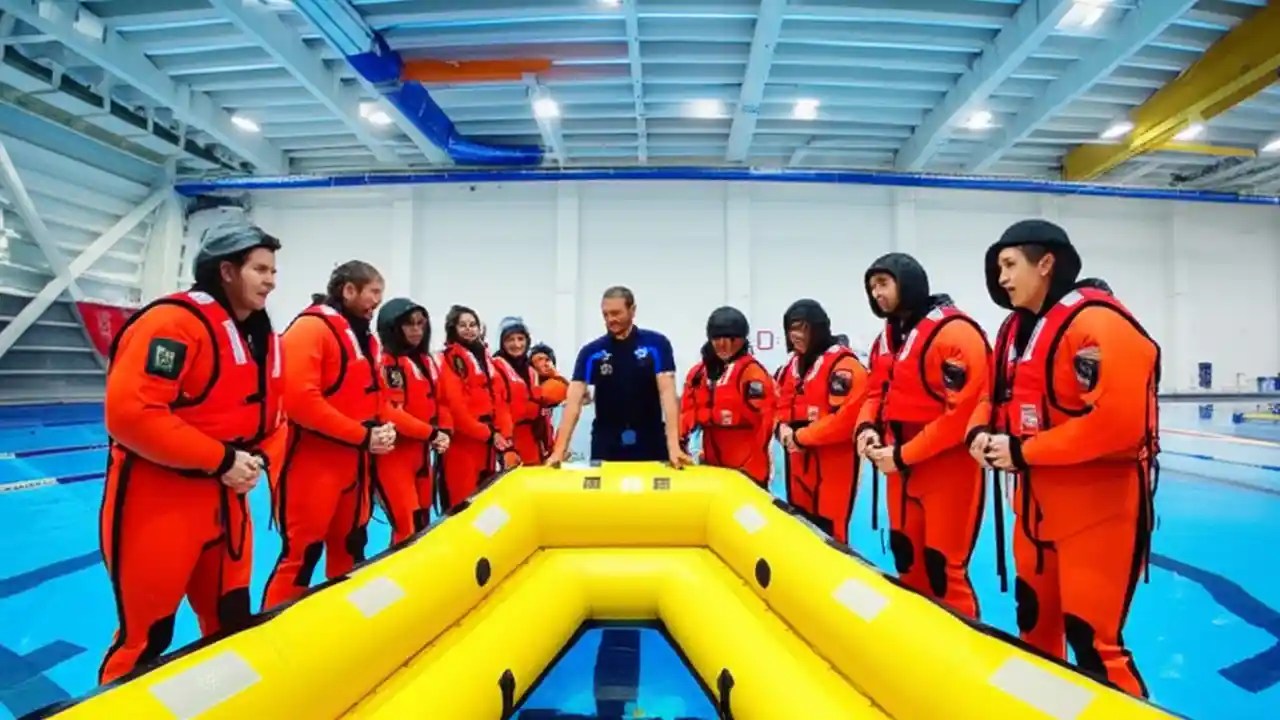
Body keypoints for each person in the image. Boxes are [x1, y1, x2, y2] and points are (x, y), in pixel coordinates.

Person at [969, 219, 1158, 698]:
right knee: (1033, 624)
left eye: (1010, 265)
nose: (1002, 278)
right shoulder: (1013, 329)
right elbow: (990, 395)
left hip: (1097, 514)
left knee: (1093, 645)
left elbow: (1120, 423)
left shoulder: (1099, 323)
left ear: (1046, 263)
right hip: (1033, 511)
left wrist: (1022, 450)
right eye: (999, 268)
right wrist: (979, 431)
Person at [98, 222, 284, 683]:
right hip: (157, 504)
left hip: (227, 505)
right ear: (226, 271)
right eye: (260, 269)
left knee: (232, 620)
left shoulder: (255, 333)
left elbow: (267, 411)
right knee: (146, 638)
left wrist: (253, 461)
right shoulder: (173, 325)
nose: (271, 280)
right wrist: (223, 460)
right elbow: (131, 414)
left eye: (273, 270)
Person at [855, 253, 990, 619]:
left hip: (946, 467)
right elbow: (874, 392)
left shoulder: (956, 334)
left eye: (883, 284)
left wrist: (902, 455)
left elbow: (960, 414)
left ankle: (964, 655)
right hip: (900, 465)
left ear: (907, 282)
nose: (876, 293)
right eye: (871, 287)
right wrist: (867, 427)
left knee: (943, 568)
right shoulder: (887, 339)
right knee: (906, 556)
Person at [262, 261, 396, 610]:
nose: (377, 301)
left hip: (354, 465)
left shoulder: (364, 337)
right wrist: (362, 436)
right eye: (373, 292)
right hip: (312, 464)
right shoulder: (311, 329)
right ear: (348, 290)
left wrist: (382, 428)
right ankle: (275, 636)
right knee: (302, 555)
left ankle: (342, 621)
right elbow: (300, 401)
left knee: (352, 545)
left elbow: (376, 393)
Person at [545, 286, 690, 468]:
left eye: (616, 313)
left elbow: (668, 397)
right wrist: (559, 451)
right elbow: (572, 405)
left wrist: (674, 446)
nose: (610, 319)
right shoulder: (592, 353)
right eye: (605, 315)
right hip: (606, 444)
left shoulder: (656, 345)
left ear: (632, 310)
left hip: (650, 441)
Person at [775, 299, 868, 544]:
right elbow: (779, 404)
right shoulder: (790, 367)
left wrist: (801, 437)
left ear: (817, 329)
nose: (795, 335)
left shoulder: (845, 368)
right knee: (800, 526)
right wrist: (782, 428)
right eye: (791, 329)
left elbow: (846, 420)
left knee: (831, 533)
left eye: (802, 328)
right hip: (796, 461)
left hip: (834, 464)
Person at [374, 299, 452, 544]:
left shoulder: (426, 362)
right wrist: (431, 433)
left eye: (421, 324)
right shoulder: (387, 363)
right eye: (409, 325)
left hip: (421, 456)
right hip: (394, 458)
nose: (417, 330)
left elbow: (443, 401)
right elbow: (390, 412)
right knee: (405, 524)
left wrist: (445, 432)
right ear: (393, 327)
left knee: (423, 522)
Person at [679, 307, 777, 487]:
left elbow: (765, 421)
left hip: (747, 470)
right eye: (717, 338)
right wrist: (678, 444)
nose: (724, 344)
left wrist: (751, 468)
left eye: (731, 338)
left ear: (742, 340)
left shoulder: (752, 374)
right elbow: (685, 413)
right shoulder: (698, 374)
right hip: (711, 467)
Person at [438, 305, 513, 510]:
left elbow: (500, 398)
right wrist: (489, 435)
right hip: (464, 445)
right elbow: (455, 408)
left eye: (473, 325)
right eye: (463, 325)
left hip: (488, 444)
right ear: (453, 328)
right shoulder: (449, 360)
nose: (469, 329)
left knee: (485, 503)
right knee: (462, 504)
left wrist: (504, 432)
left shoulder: (487, 359)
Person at [492, 318, 546, 465]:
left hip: (532, 441)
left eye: (520, 339)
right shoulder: (495, 367)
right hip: (509, 442)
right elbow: (498, 407)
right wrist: (506, 448)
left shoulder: (532, 371)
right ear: (502, 343)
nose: (516, 344)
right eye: (510, 339)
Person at [530, 343, 569, 457]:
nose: (545, 364)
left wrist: (556, 375)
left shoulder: (557, 384)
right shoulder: (531, 387)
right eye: (539, 360)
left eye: (547, 359)